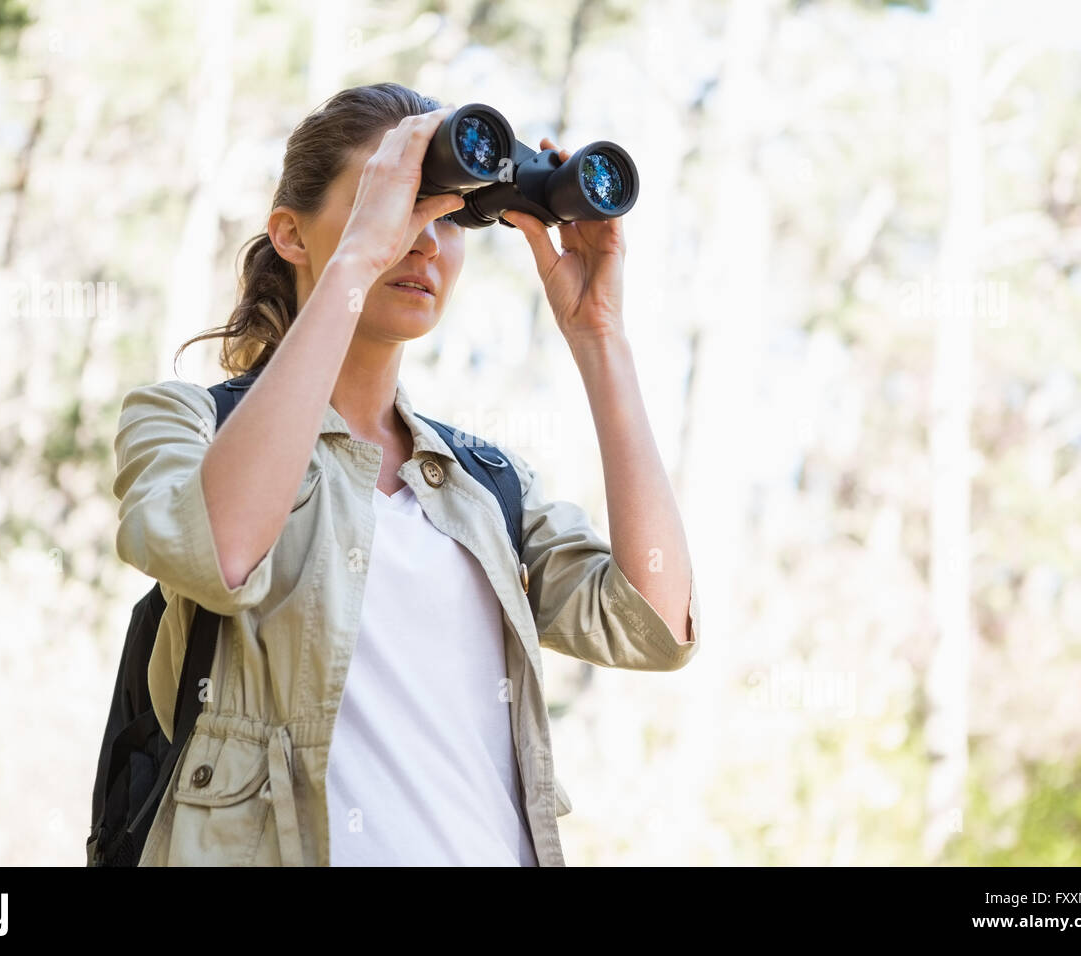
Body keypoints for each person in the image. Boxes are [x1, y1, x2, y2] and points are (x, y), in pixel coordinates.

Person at [111, 82, 701, 867]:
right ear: (290, 234)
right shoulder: (186, 423)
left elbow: (653, 626)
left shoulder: (484, 484)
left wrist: (601, 339)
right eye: (397, 202)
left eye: (452, 215)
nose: (425, 239)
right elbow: (221, 555)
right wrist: (358, 255)